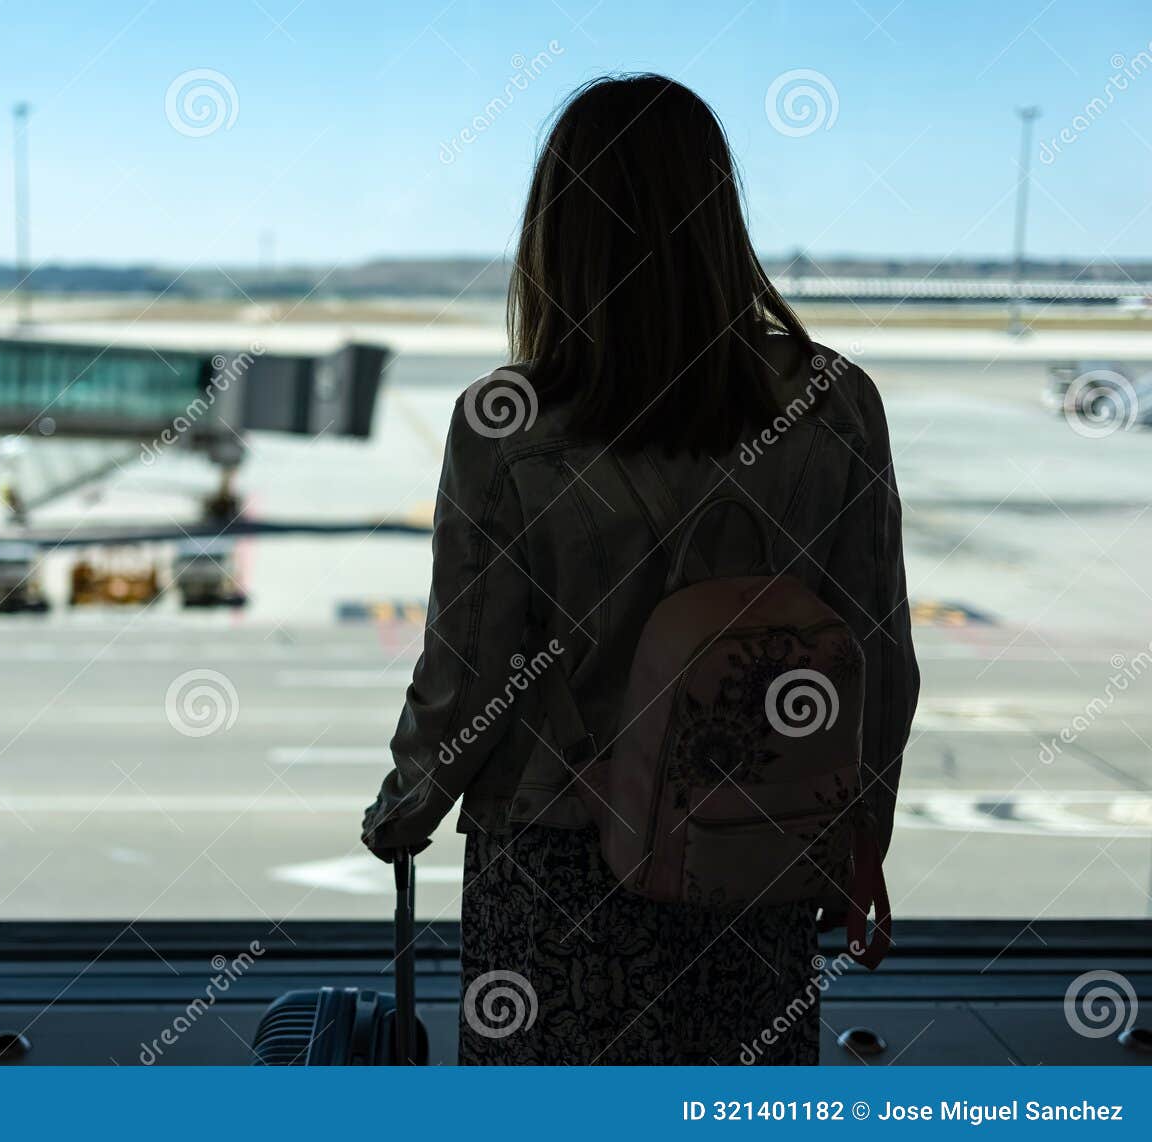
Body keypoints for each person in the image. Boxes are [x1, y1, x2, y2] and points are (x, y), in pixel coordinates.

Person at [360, 74, 918, 1065]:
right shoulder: (834, 402)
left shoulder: (509, 423)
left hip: (556, 864)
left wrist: (406, 807)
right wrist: (851, 828)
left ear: (559, 231)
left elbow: (467, 668)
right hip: (752, 847)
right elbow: (875, 649)